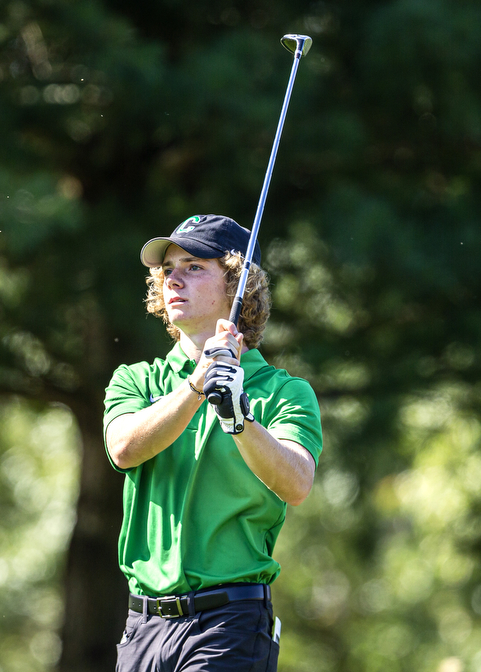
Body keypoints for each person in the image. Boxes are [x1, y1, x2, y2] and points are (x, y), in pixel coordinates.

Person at [103, 214, 323, 671]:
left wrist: (240, 418)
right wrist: (194, 387)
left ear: (239, 285)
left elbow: (297, 482)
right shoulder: (136, 380)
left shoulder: (284, 392)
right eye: (168, 269)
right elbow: (123, 448)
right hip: (142, 628)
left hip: (230, 624)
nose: (173, 279)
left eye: (194, 266)